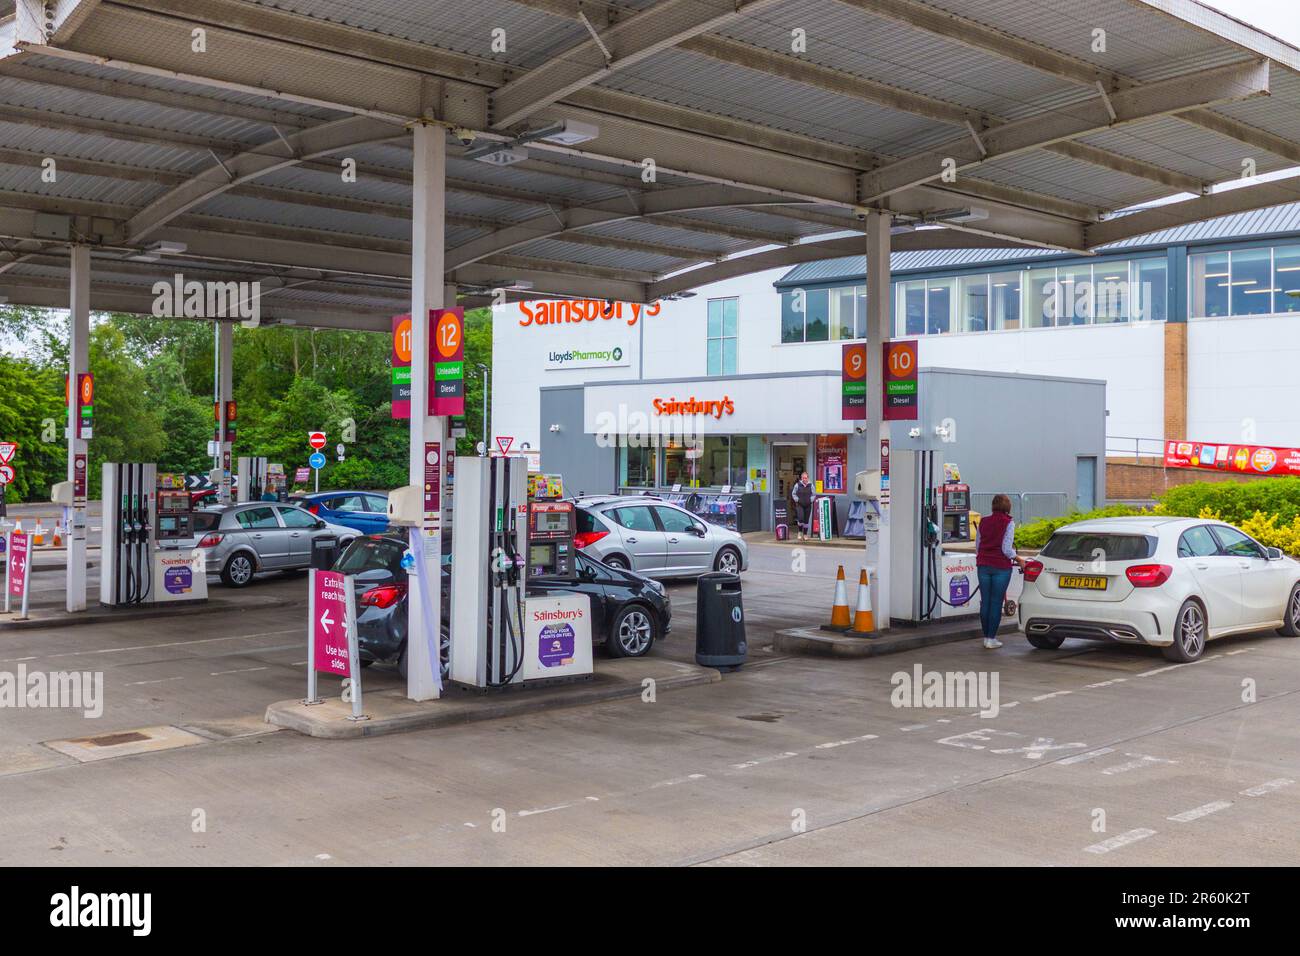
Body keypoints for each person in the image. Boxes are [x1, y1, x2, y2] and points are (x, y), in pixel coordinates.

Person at [975, 494, 1024, 649]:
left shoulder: (983, 521)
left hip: (983, 564)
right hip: (1001, 567)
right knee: (996, 603)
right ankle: (991, 639)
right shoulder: (1009, 523)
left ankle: (985, 637)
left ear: (993, 505)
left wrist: (983, 557)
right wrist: (1019, 559)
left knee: (985, 602)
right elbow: (1006, 549)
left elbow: (978, 546)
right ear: (1008, 507)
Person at [790, 471, 814, 541]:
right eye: (803, 478)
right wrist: (797, 500)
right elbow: (793, 494)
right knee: (801, 519)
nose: (805, 479)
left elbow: (814, 494)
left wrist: (810, 500)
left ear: (808, 478)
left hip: (808, 505)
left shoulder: (811, 485)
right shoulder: (797, 485)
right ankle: (800, 532)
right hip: (800, 505)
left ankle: (805, 534)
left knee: (806, 520)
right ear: (801, 478)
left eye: (806, 478)